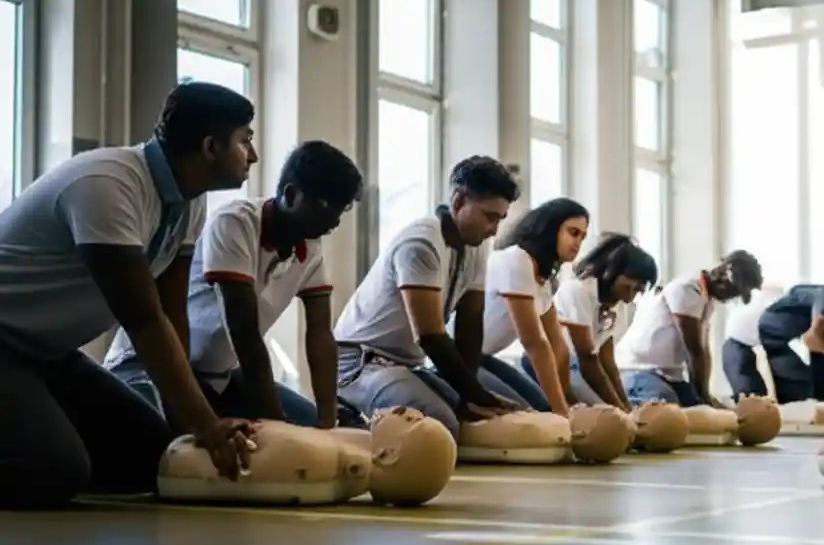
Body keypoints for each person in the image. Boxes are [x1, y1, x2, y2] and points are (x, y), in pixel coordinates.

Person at [0, 82, 259, 508]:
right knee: (54, 472)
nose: (252, 155)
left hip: (48, 354)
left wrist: (187, 428)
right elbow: (142, 318)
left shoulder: (189, 203)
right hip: (4, 343)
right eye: (245, 140)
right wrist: (206, 424)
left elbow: (173, 312)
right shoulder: (108, 185)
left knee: (154, 460)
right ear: (211, 146)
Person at [104, 140, 362, 429]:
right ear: (291, 195)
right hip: (151, 369)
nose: (336, 220)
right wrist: (278, 427)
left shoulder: (310, 248)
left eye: (343, 208)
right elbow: (244, 333)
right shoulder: (235, 223)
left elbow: (320, 335)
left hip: (218, 378)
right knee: (183, 443)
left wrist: (328, 421)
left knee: (310, 429)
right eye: (328, 206)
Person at [332, 156, 521, 439]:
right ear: (458, 202)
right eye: (489, 216)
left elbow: (470, 324)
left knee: (483, 421)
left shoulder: (477, 245)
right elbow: (430, 335)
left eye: (500, 219)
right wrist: (474, 394)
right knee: (441, 428)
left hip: (405, 365)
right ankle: (349, 414)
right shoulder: (421, 242)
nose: (494, 229)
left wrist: (468, 397)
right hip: (360, 362)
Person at [478, 197, 589, 417]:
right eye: (573, 232)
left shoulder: (544, 280)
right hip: (457, 359)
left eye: (583, 237)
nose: (578, 243)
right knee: (528, 414)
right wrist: (562, 414)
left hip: (484, 358)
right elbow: (534, 343)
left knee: (542, 408)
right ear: (550, 228)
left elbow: (557, 344)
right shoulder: (516, 260)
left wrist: (567, 401)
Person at [616, 250, 764, 408]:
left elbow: (704, 351)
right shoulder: (686, 289)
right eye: (733, 291)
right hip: (637, 369)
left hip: (669, 375)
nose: (731, 297)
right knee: (666, 407)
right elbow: (694, 350)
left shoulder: (707, 301)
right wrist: (703, 396)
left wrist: (703, 397)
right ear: (723, 276)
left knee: (705, 411)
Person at [722, 260, 824, 404]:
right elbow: (813, 340)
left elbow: (820, 349)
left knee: (806, 394)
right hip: (758, 339)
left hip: (774, 336)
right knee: (765, 399)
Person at [547, 233, 659, 410]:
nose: (629, 298)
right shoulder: (578, 291)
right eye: (627, 288)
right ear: (610, 273)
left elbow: (607, 363)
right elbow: (587, 359)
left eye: (637, 291)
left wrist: (626, 407)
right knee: (605, 416)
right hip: (555, 363)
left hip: (582, 366)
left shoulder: (617, 304)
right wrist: (618, 409)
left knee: (617, 412)